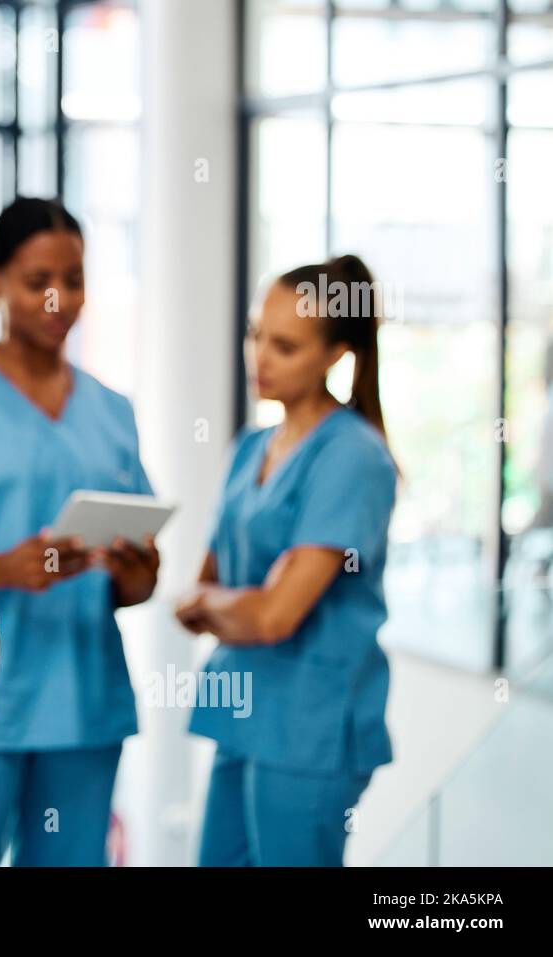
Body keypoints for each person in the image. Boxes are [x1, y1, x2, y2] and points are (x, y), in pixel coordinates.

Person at [0, 197, 160, 866]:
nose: (59, 299)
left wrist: (138, 573)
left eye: (74, 280)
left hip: (83, 704)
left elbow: (137, 583)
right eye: (36, 281)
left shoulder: (112, 411)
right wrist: (1, 569)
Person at [175, 254, 397, 867]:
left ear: (334, 354)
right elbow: (204, 591)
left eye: (285, 345)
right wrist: (238, 604)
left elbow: (274, 618)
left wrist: (235, 606)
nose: (260, 358)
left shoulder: (353, 458)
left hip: (311, 728)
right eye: (255, 336)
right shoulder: (250, 449)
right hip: (244, 712)